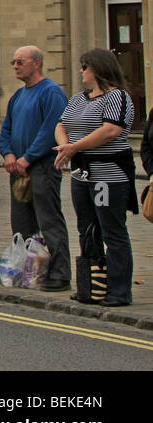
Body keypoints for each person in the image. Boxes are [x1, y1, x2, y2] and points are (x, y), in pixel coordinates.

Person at [56, 49, 138, 307]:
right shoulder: (78, 99)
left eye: (84, 67)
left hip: (108, 176)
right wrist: (65, 147)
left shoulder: (118, 97)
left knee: (111, 231)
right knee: (87, 228)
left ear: (98, 69)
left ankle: (118, 290)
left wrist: (75, 147)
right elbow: (61, 124)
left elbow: (111, 130)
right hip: (82, 174)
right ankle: (91, 287)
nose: (81, 71)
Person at [0, 45, 71, 290]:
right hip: (18, 168)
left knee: (49, 220)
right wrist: (8, 154)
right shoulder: (18, 96)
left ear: (37, 63)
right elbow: (6, 128)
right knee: (21, 223)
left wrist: (28, 158)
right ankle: (27, 269)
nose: (15, 66)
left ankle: (60, 274)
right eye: (14, 62)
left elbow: (51, 129)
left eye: (20, 62)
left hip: (42, 167)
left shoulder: (51, 92)